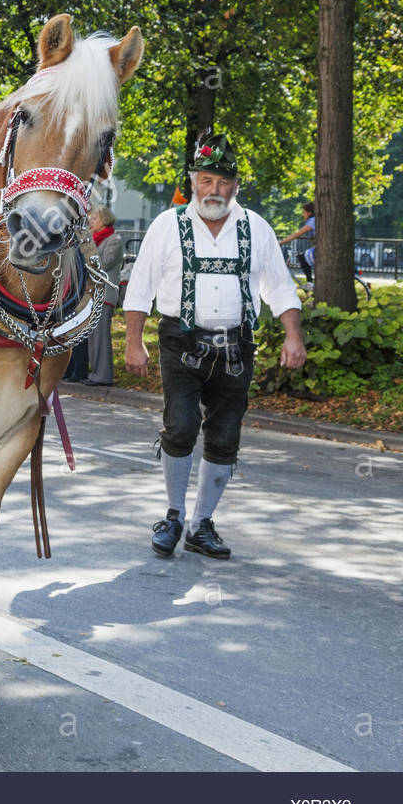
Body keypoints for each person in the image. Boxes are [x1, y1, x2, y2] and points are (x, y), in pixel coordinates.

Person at [123, 132, 306, 560]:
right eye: (206, 181)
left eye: (223, 183)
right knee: (182, 426)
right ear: (193, 182)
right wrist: (135, 342)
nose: (215, 191)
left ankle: (201, 525)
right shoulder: (167, 226)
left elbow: (280, 288)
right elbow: (140, 287)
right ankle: (172, 515)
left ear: (235, 187)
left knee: (225, 437)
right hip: (180, 343)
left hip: (237, 347)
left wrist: (293, 335)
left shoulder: (255, 228)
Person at [84, 205, 122, 385]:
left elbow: (104, 264)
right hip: (93, 295)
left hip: (105, 295)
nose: (91, 222)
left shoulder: (113, 240)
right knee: (93, 338)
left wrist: (87, 250)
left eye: (95, 219)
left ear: (105, 220)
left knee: (101, 338)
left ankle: (104, 376)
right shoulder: (95, 240)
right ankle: (95, 374)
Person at [278, 201, 316, 283]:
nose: (303, 215)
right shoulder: (314, 220)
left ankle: (310, 282)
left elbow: (296, 235)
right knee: (303, 257)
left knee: (302, 257)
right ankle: (310, 282)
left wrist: (281, 243)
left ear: (309, 213)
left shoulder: (312, 221)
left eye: (304, 213)